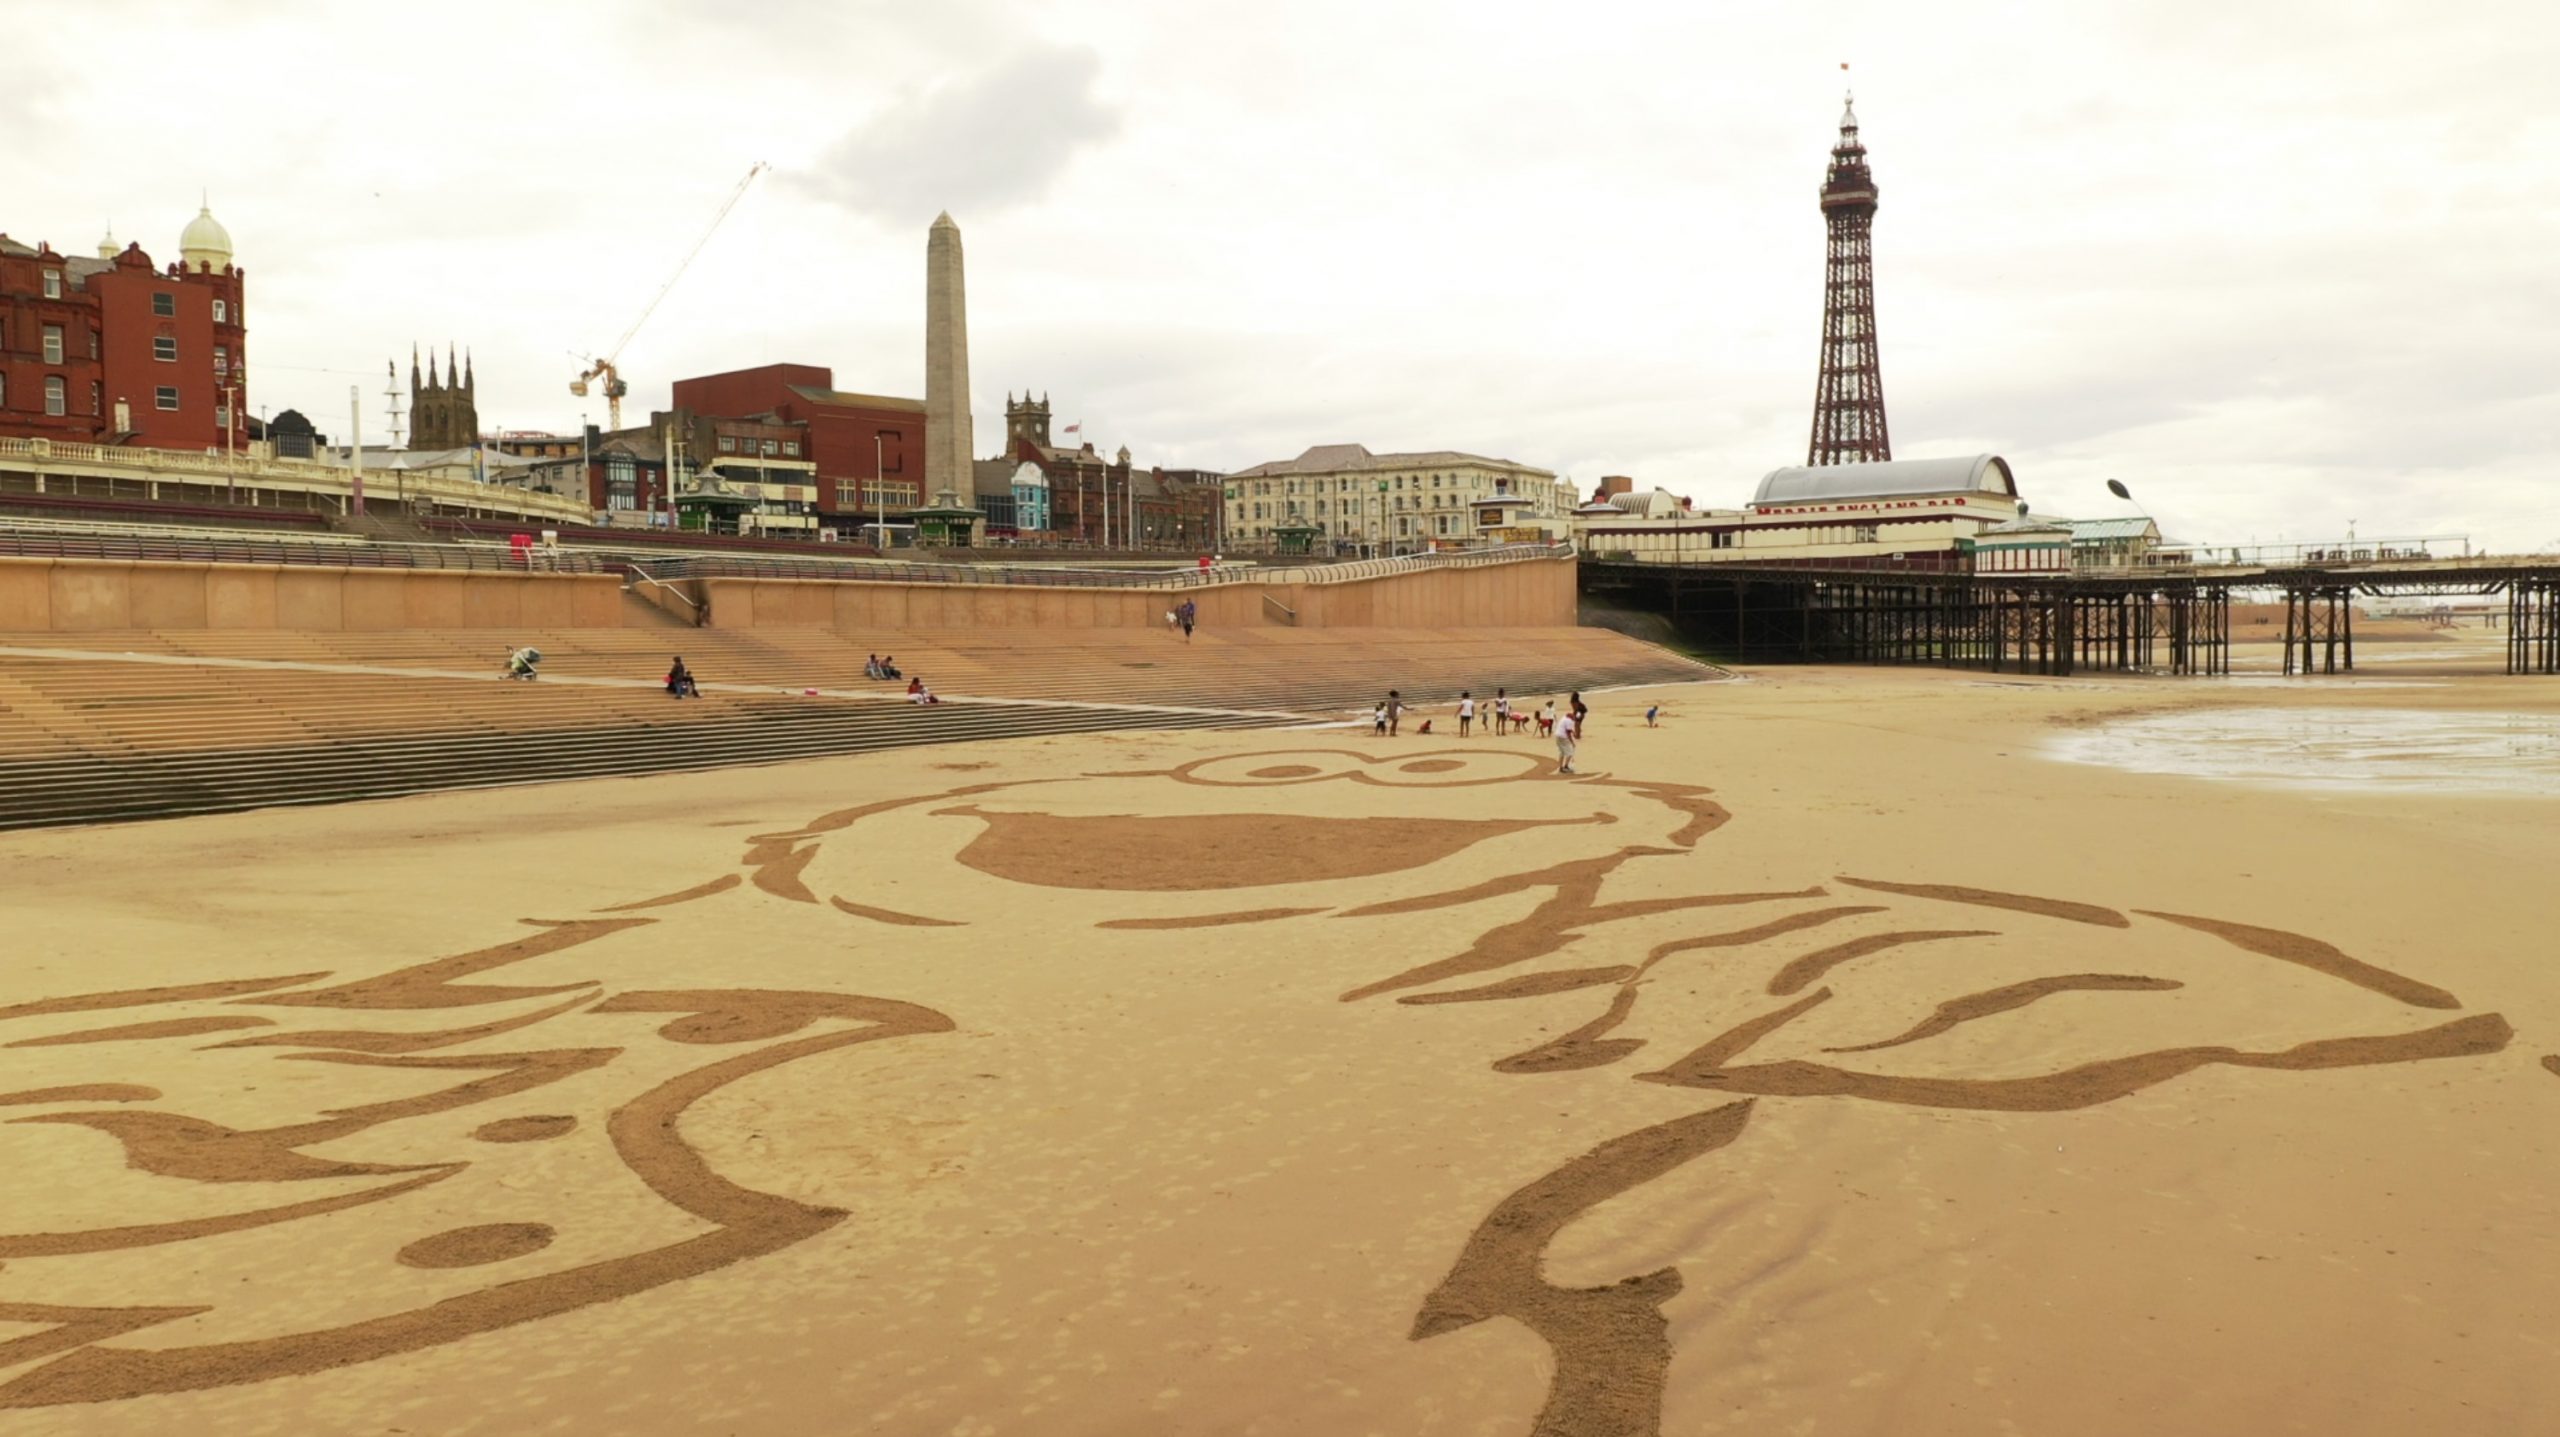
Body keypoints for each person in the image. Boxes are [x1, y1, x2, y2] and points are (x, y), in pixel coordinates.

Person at [1554, 707, 1579, 774]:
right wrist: (1572, 742)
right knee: (1570, 752)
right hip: (1563, 737)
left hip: (1557, 736)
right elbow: (1568, 733)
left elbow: (1568, 729)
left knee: (1562, 752)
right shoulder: (1569, 721)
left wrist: (1573, 732)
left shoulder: (1564, 717)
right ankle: (1566, 766)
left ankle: (1561, 768)